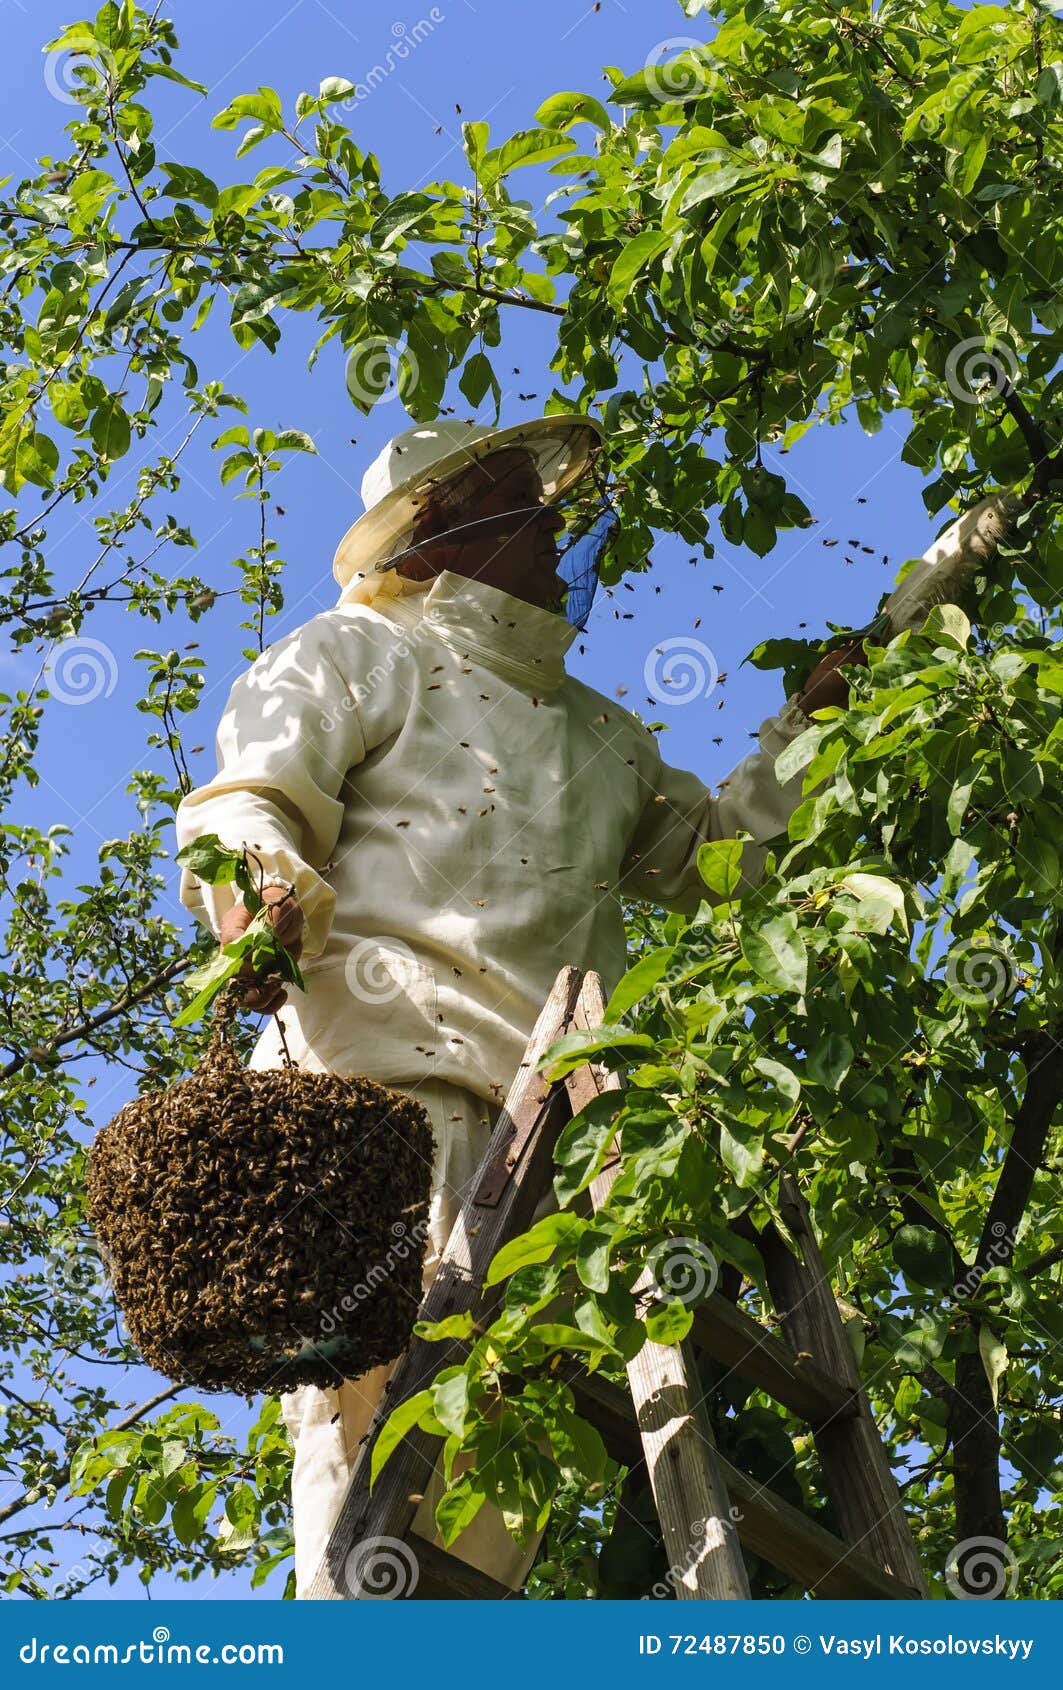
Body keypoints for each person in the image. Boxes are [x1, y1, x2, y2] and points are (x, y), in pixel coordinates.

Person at [174, 413, 1006, 1597]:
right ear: (444, 522)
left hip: (562, 1149)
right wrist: (258, 893)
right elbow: (247, 796)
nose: (561, 524)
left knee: (495, 1495)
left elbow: (726, 851)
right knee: (364, 1469)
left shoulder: (601, 735)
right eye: (529, 497)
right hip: (381, 1116)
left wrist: (821, 712)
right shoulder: (350, 655)